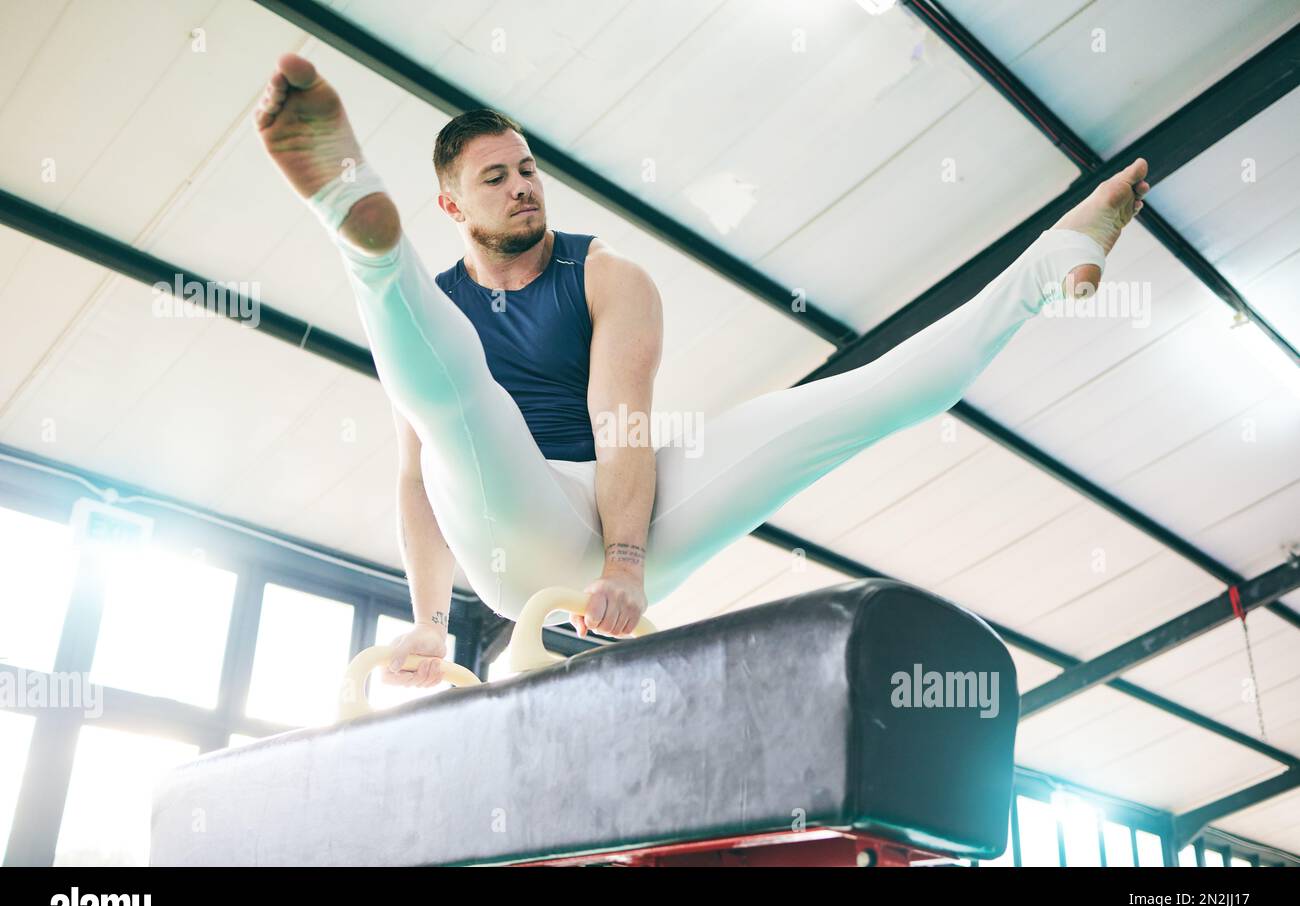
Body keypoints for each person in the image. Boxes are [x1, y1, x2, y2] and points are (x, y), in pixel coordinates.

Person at [253, 53, 1148, 687]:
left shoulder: (609, 274)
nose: (523, 185)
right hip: (507, 533)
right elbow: (415, 480)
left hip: (624, 520)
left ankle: (1049, 261)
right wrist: (430, 625)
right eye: (495, 178)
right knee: (458, 407)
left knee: (859, 400)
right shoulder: (442, 315)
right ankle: (358, 226)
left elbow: (625, 427)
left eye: (529, 168)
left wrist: (628, 563)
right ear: (450, 203)